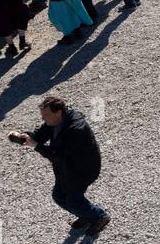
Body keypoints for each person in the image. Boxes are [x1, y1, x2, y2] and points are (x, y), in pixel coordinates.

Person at [11, 96, 109, 236]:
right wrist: (22, 136)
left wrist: (36, 146)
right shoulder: (54, 122)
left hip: (82, 170)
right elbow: (39, 135)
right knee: (59, 196)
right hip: (66, 168)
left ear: (58, 112)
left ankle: (99, 217)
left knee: (74, 201)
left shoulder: (76, 128)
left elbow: (58, 155)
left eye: (46, 115)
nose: (44, 119)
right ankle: (87, 215)